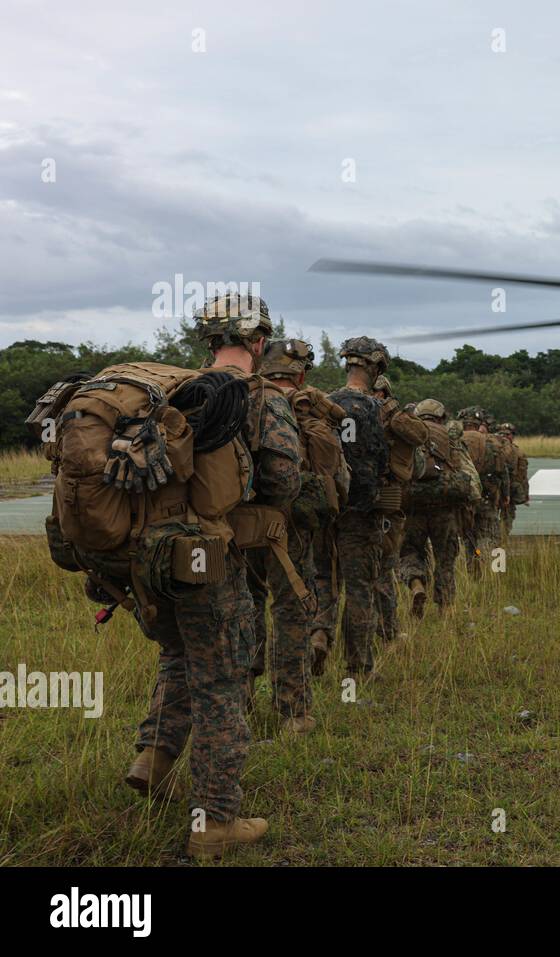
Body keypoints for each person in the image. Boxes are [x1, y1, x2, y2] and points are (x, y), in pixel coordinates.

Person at [38, 293, 300, 858]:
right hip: (204, 566)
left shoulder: (168, 392)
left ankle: (152, 760)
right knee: (222, 684)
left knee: (178, 656)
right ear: (259, 341)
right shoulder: (255, 397)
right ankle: (213, 823)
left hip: (139, 567)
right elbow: (282, 480)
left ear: (210, 341)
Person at [245, 338, 332, 735]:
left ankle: (240, 696)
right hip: (289, 526)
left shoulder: (239, 397)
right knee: (292, 612)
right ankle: (293, 711)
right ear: (300, 373)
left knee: (243, 608)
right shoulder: (307, 409)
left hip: (236, 524)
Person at [324, 337, 390, 678]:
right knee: (360, 588)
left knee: (322, 582)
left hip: (324, 509)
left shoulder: (324, 402)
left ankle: (317, 640)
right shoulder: (375, 409)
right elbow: (382, 461)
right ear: (375, 367)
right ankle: (358, 666)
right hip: (361, 512)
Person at [400, 399, 476, 616]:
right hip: (444, 507)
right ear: (441, 417)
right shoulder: (450, 437)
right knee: (445, 557)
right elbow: (466, 471)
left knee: (409, 550)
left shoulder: (407, 433)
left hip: (413, 506)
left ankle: (416, 583)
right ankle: (445, 608)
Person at [371, 374, 429, 642]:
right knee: (384, 571)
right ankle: (386, 634)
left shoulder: (340, 408)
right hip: (387, 504)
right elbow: (417, 466)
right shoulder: (397, 420)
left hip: (345, 506)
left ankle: (329, 636)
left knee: (339, 577)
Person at [456, 406, 507, 575]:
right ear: (478, 424)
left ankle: (471, 570)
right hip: (487, 498)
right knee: (489, 535)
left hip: (464, 498)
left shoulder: (454, 441)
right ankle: (493, 571)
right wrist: (504, 495)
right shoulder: (492, 442)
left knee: (467, 537)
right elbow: (502, 472)